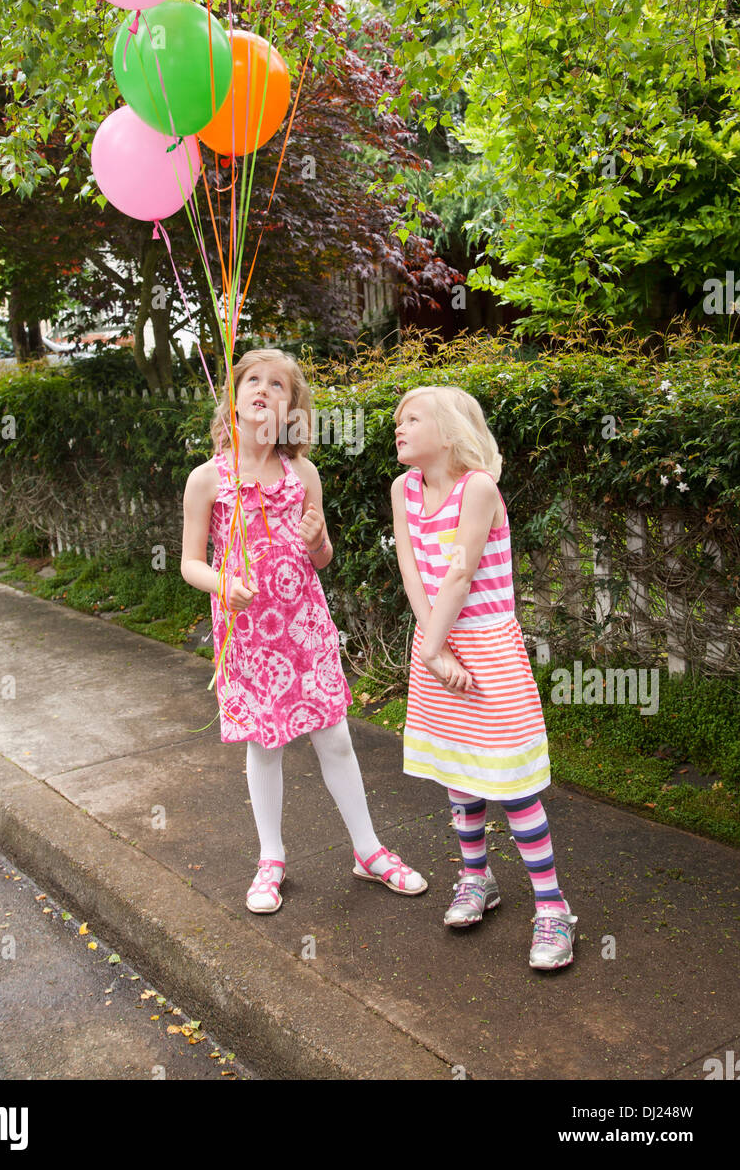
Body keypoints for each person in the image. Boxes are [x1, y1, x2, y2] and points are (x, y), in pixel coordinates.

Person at [181, 347, 426, 913]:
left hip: (305, 625)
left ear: (293, 407)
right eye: (253, 382)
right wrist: (221, 583)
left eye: (278, 386)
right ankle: (271, 859)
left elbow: (321, 559)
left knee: (334, 736)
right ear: (236, 398)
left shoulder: (303, 474)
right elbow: (192, 561)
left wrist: (316, 537)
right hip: (248, 633)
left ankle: (367, 850)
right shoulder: (207, 480)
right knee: (265, 746)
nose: (263, 390)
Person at [391, 385, 577, 970]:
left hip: (487, 648)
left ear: (448, 431)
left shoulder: (478, 488)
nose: (398, 427)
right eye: (398, 419)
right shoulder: (403, 489)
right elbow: (412, 570)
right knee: (458, 769)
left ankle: (553, 907)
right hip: (438, 642)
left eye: (411, 418)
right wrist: (432, 646)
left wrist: (436, 647)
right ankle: (478, 879)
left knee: (513, 779)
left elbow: (460, 574)